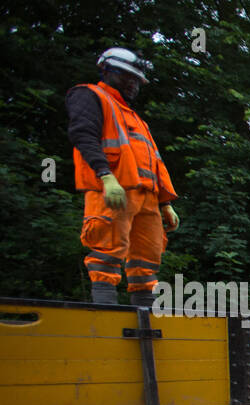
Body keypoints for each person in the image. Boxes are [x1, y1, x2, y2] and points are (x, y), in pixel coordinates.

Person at [67, 48, 179, 307]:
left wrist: (165, 203)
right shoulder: (91, 96)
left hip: (147, 199)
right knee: (107, 252)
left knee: (146, 262)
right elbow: (83, 135)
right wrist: (106, 176)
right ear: (108, 71)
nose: (134, 84)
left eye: (136, 80)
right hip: (115, 190)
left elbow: (155, 162)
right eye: (128, 77)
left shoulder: (136, 119)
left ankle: (146, 324)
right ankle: (105, 318)